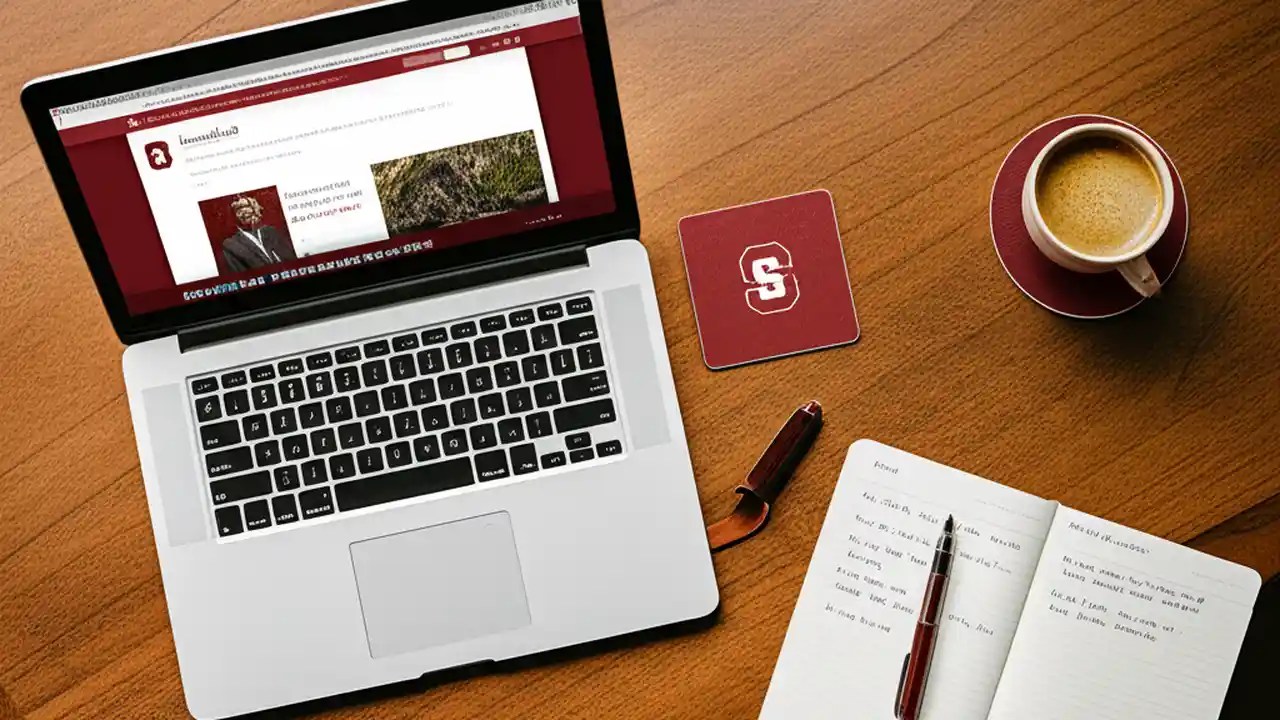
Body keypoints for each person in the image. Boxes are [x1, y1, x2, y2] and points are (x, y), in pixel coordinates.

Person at [220, 196, 296, 273]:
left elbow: (290, 257)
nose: (245, 213)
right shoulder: (231, 245)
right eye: (239, 210)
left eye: (248, 208)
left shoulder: (271, 231)